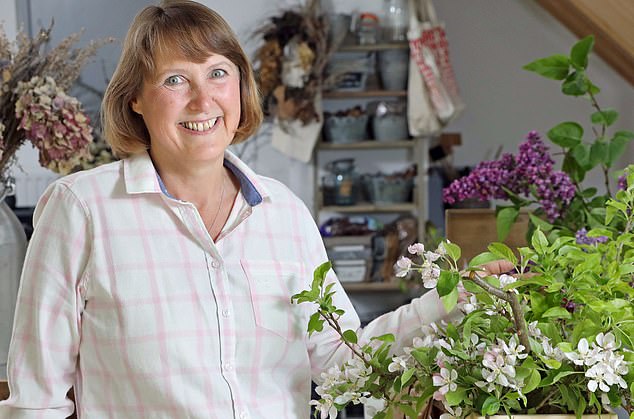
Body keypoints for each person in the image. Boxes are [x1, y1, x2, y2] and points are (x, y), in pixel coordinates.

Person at [0, 1, 505, 417]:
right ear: (135, 97)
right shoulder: (81, 210)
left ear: (240, 87)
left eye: (218, 73)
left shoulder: (283, 213)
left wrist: (450, 300)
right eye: (176, 80)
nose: (202, 101)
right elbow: (36, 401)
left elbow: (341, 360)